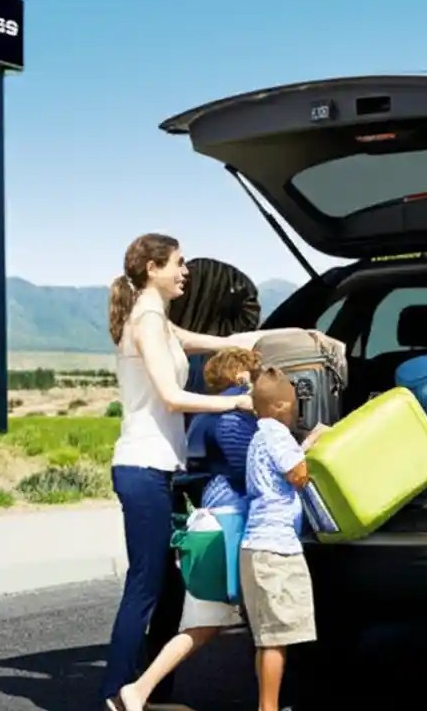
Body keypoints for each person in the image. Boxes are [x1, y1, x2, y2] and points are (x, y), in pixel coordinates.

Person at [100, 232, 295, 709]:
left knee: (166, 588)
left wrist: (273, 341)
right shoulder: (146, 323)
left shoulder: (160, 323)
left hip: (160, 469)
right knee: (145, 587)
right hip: (141, 467)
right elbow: (171, 396)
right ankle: (117, 695)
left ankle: (147, 693)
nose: (186, 271)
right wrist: (242, 404)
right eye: (179, 264)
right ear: (153, 269)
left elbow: (221, 342)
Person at [108, 348, 263, 711]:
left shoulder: (208, 416)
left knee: (205, 622)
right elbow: (252, 468)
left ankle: (138, 691)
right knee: (263, 619)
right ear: (240, 376)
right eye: (254, 374)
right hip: (230, 524)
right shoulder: (232, 414)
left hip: (211, 519)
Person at [240, 367, 331, 711]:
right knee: (278, 638)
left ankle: (267, 705)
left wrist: (307, 443)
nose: (295, 409)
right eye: (293, 403)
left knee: (266, 640)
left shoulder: (260, 435)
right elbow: (298, 474)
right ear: (280, 407)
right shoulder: (277, 434)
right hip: (276, 550)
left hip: (258, 547)